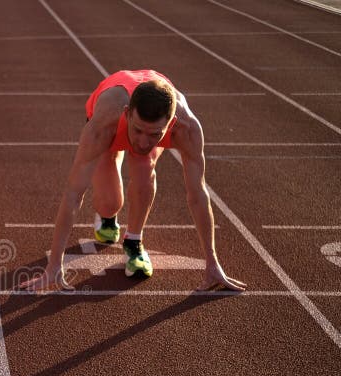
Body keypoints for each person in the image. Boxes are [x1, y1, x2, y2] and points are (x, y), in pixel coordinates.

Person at [20, 69, 246, 292]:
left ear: (171, 122)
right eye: (138, 130)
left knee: (144, 164)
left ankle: (134, 241)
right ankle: (108, 208)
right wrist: (53, 265)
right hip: (113, 123)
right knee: (108, 203)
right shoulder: (103, 124)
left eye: (154, 134)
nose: (144, 141)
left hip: (140, 119)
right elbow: (74, 193)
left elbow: (197, 195)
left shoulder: (187, 129)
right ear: (127, 113)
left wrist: (212, 262)